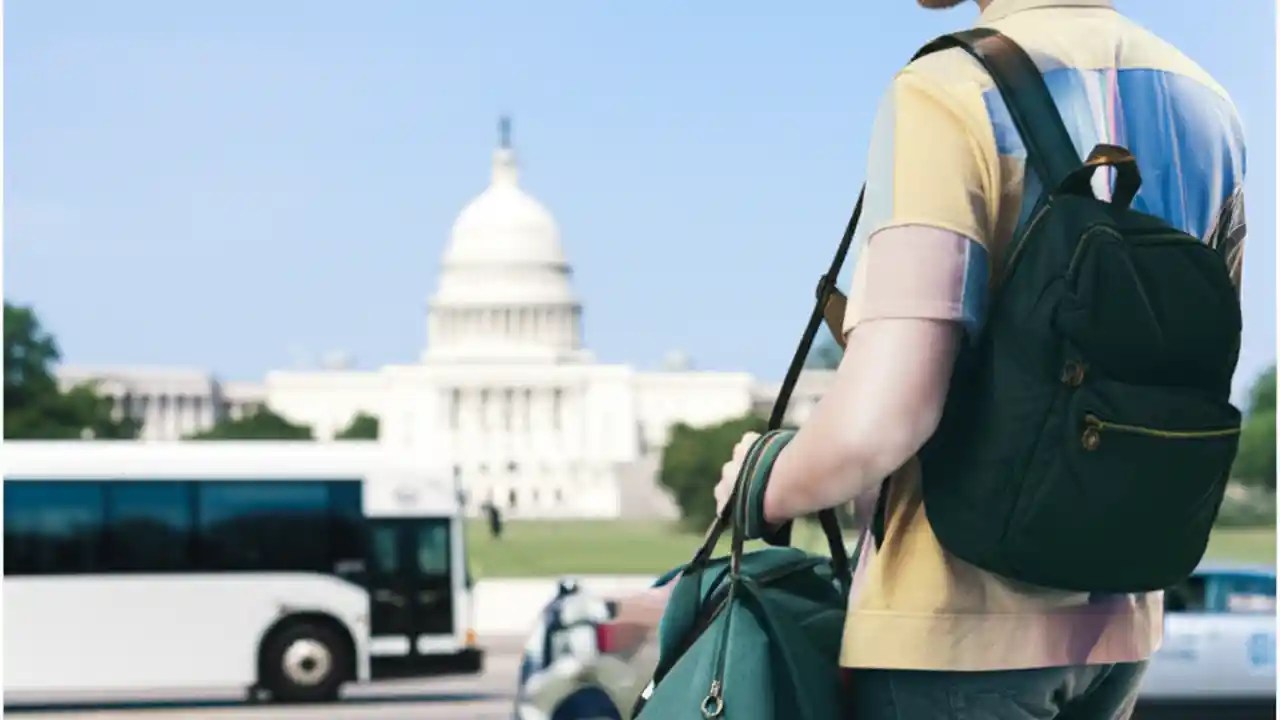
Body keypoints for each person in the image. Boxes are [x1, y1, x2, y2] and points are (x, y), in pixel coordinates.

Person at [713, 1, 1247, 718]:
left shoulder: (952, 88)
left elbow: (886, 417)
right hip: (1120, 626)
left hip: (953, 629)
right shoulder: (1207, 105)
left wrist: (761, 481)